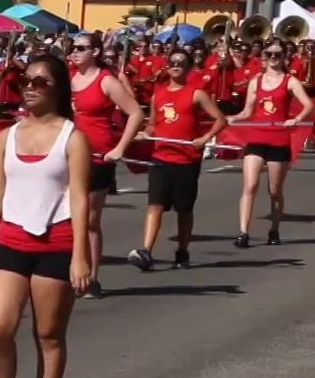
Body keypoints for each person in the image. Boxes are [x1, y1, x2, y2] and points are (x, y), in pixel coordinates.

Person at [0, 55, 91, 378]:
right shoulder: (6, 137)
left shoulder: (72, 138)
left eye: (41, 81)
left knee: (49, 334)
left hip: (56, 243)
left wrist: (80, 256)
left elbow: (79, 197)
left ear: (57, 88)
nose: (31, 86)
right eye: (26, 79)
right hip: (11, 239)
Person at [128, 50, 226, 270]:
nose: (176, 66)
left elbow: (220, 119)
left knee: (184, 209)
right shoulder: (158, 94)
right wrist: (145, 133)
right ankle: (146, 251)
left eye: (181, 63)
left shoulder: (196, 93)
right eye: (172, 62)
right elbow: (153, 123)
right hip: (160, 157)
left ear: (189, 67)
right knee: (155, 205)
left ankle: (182, 250)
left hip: (186, 159)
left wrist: (204, 138)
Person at [68, 32, 144, 299]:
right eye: (72, 48)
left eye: (81, 48)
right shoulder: (68, 78)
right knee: (65, 216)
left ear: (96, 52)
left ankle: (92, 278)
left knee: (89, 219)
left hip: (98, 155)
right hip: (68, 154)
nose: (74, 52)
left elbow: (136, 113)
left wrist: (120, 148)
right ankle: (68, 272)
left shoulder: (106, 80)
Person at [229, 38, 314, 247]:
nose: (273, 58)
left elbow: (307, 105)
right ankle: (243, 232)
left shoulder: (290, 80)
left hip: (278, 138)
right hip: (257, 137)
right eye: (269, 54)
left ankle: (274, 229)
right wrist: (233, 118)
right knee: (250, 185)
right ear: (263, 57)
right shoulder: (255, 81)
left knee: (275, 190)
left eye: (277, 54)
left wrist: (296, 119)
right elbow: (248, 111)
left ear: (284, 57)